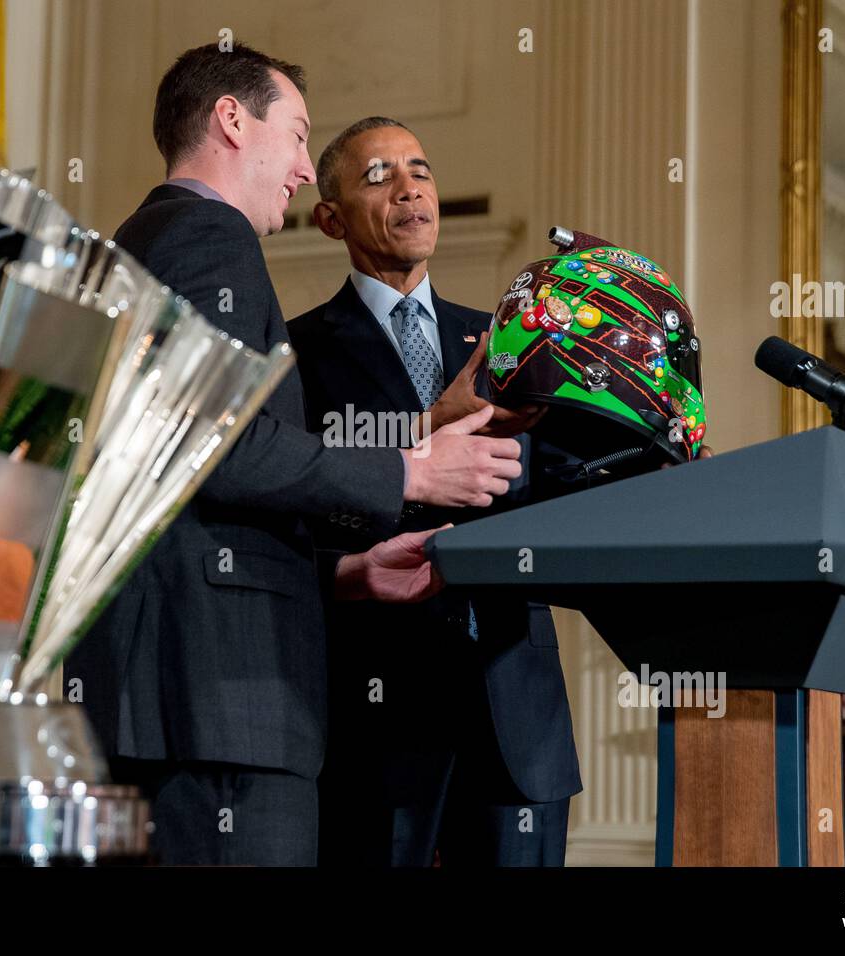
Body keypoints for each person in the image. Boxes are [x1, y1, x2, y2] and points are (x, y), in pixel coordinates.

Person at [66, 43, 522, 866]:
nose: (307, 169)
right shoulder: (206, 233)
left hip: (180, 697)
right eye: (301, 135)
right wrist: (410, 469)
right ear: (232, 120)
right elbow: (220, 440)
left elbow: (178, 490)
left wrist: (343, 573)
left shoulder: (148, 237)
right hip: (219, 706)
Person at [288, 116, 581, 866]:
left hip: (515, 711)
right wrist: (422, 434)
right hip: (375, 718)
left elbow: (561, 487)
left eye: (420, 168)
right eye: (378, 175)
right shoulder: (293, 354)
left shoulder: (507, 344)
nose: (410, 186)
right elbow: (296, 505)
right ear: (330, 218)